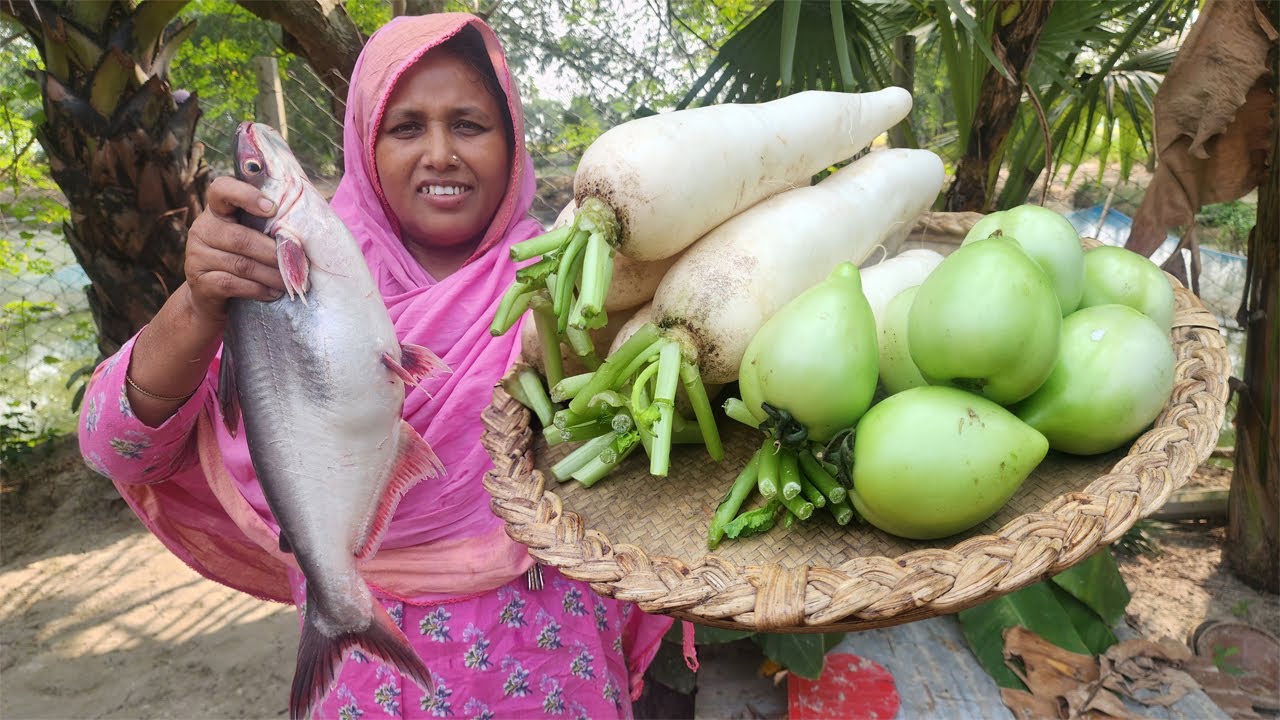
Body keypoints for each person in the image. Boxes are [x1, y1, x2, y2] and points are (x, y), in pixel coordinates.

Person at [78, 13, 675, 719]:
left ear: (513, 144)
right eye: (407, 128)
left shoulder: (571, 282)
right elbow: (115, 443)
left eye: (471, 125)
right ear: (364, 145)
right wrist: (202, 301)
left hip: (554, 668)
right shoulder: (282, 288)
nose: (442, 152)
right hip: (373, 690)